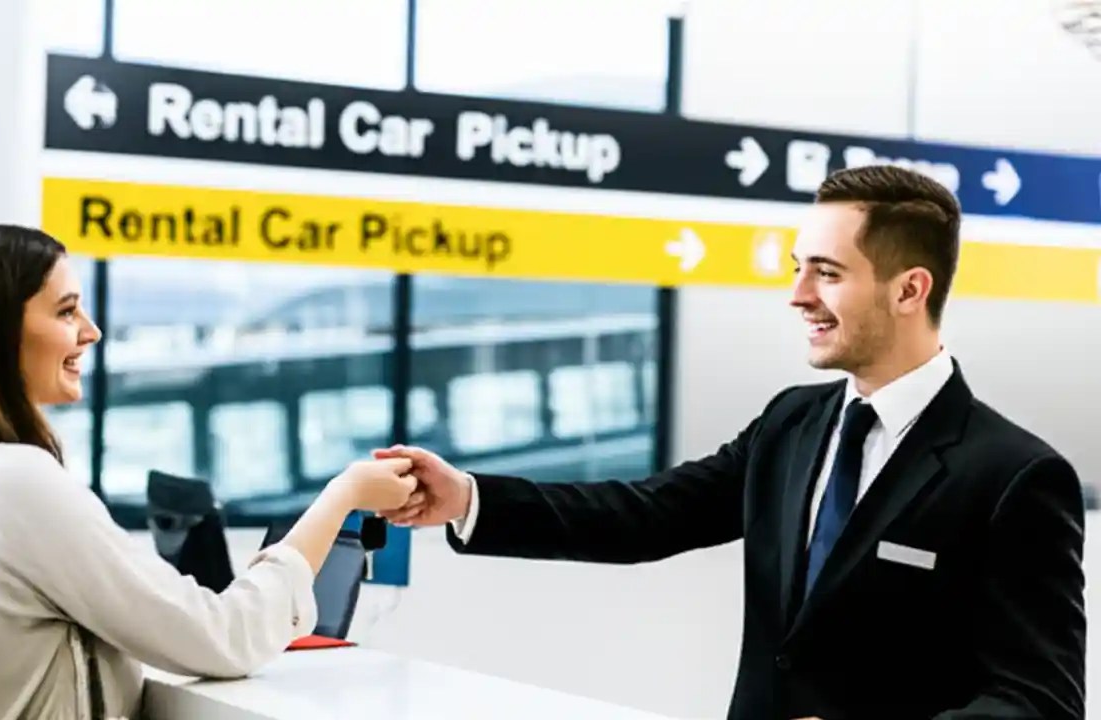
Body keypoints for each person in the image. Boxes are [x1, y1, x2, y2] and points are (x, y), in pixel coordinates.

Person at [376, 165, 1086, 719]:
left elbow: (1040, 701)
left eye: (827, 273)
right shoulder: (791, 424)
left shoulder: (1014, 476)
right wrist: (468, 499)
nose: (798, 294)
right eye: (799, 267)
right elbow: (647, 513)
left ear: (910, 290)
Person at [0, 222, 419, 719]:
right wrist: (343, 496)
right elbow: (224, 637)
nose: (91, 331)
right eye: (66, 310)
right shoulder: (14, 481)